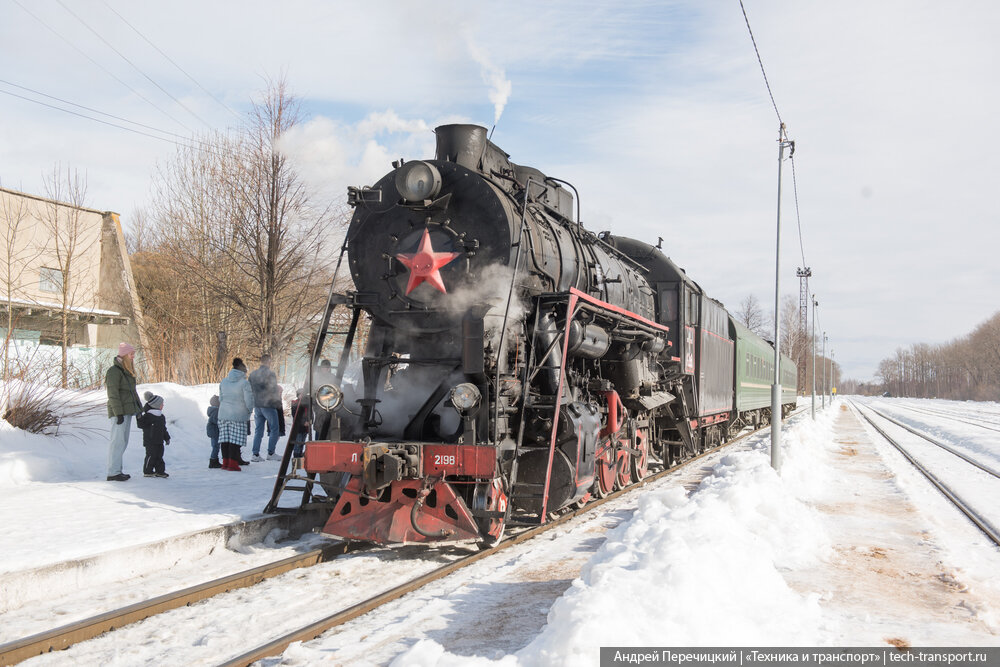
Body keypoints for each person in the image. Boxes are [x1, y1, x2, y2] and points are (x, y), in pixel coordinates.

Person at [105, 342, 142, 481]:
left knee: (123, 441)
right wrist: (118, 413)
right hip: (119, 413)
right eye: (131, 354)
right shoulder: (114, 372)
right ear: (125, 355)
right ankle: (113, 472)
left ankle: (117, 470)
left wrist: (139, 410)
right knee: (117, 442)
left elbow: (132, 393)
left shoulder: (127, 371)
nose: (133, 357)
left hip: (127, 411)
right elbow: (113, 394)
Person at [218, 357, 254, 471]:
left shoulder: (224, 381)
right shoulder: (244, 383)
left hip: (223, 414)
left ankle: (225, 463)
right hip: (238, 415)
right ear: (243, 371)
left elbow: (221, 398)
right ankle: (233, 464)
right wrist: (249, 410)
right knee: (235, 440)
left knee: (225, 439)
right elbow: (249, 400)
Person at [249, 353, 282, 461]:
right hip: (268, 404)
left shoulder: (253, 374)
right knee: (274, 429)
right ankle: (271, 453)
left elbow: (249, 389)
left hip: (257, 405)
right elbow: (272, 389)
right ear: (268, 362)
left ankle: (255, 454)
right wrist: (277, 402)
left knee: (258, 430)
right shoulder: (270, 374)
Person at [136, 391, 170, 478]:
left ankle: (160, 471)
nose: (163, 405)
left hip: (159, 441)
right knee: (151, 456)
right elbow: (141, 425)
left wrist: (166, 438)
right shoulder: (148, 416)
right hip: (150, 441)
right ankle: (148, 471)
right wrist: (139, 417)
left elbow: (163, 429)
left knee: (159, 456)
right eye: (162, 404)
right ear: (156, 405)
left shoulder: (161, 417)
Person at [207, 395, 221, 468]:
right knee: (216, 446)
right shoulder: (216, 411)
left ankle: (215, 460)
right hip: (215, 431)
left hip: (213, 431)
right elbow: (216, 421)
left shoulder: (213, 410)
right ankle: (213, 461)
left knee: (215, 446)